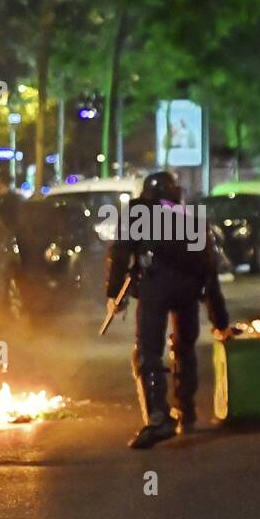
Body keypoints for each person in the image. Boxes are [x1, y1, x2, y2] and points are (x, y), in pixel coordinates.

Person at [105, 170, 232, 449]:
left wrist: (114, 292)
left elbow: (120, 252)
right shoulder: (192, 218)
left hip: (155, 288)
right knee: (184, 346)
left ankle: (158, 418)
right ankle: (185, 410)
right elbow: (209, 270)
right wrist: (219, 319)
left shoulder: (138, 214)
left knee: (149, 351)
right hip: (188, 291)